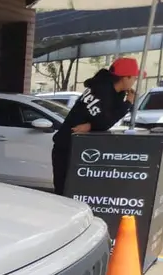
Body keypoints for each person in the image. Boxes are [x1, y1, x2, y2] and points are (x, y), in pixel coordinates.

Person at [51, 57, 141, 196]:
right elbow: (105, 122)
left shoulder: (112, 91)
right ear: (125, 77)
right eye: (134, 78)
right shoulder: (102, 90)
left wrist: (90, 125)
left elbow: (102, 120)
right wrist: (127, 103)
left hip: (79, 148)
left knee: (76, 192)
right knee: (65, 192)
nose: (135, 82)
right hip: (68, 147)